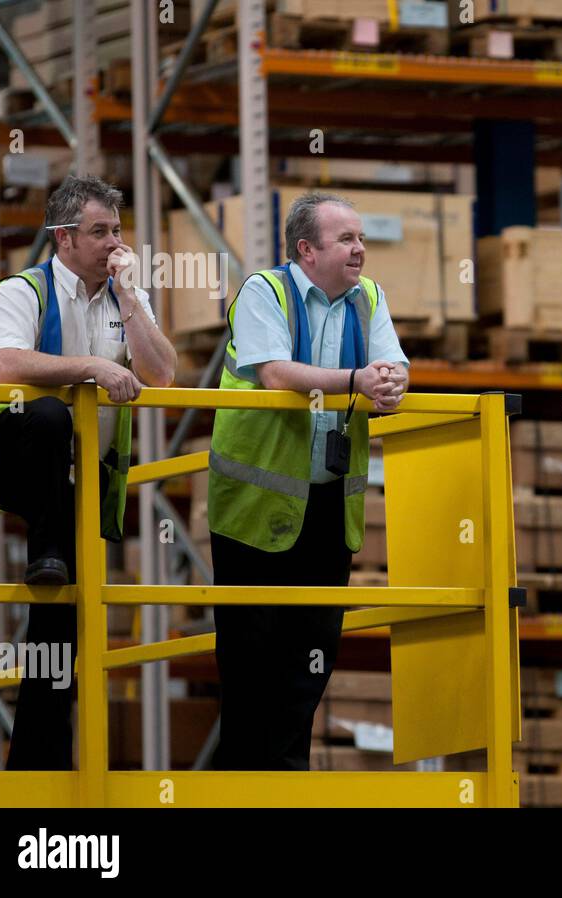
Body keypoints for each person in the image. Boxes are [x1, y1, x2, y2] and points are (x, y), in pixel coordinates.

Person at [0, 174, 177, 770]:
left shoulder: (123, 296)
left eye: (118, 230)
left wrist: (132, 298)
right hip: (9, 458)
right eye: (100, 232)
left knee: (62, 631)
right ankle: (48, 549)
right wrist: (91, 366)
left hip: (78, 486)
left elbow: (162, 374)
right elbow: (7, 362)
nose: (115, 243)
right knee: (53, 411)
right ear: (63, 238)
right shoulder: (20, 290)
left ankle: (39, 771)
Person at [208, 192, 409, 770]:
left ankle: (287, 782)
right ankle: (241, 788)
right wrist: (357, 380)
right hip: (255, 506)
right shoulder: (263, 292)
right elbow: (275, 373)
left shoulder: (368, 298)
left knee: (311, 660)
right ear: (306, 249)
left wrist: (391, 384)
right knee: (249, 664)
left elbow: (392, 365)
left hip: (326, 507)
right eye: (346, 239)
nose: (360, 250)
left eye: (362, 238)